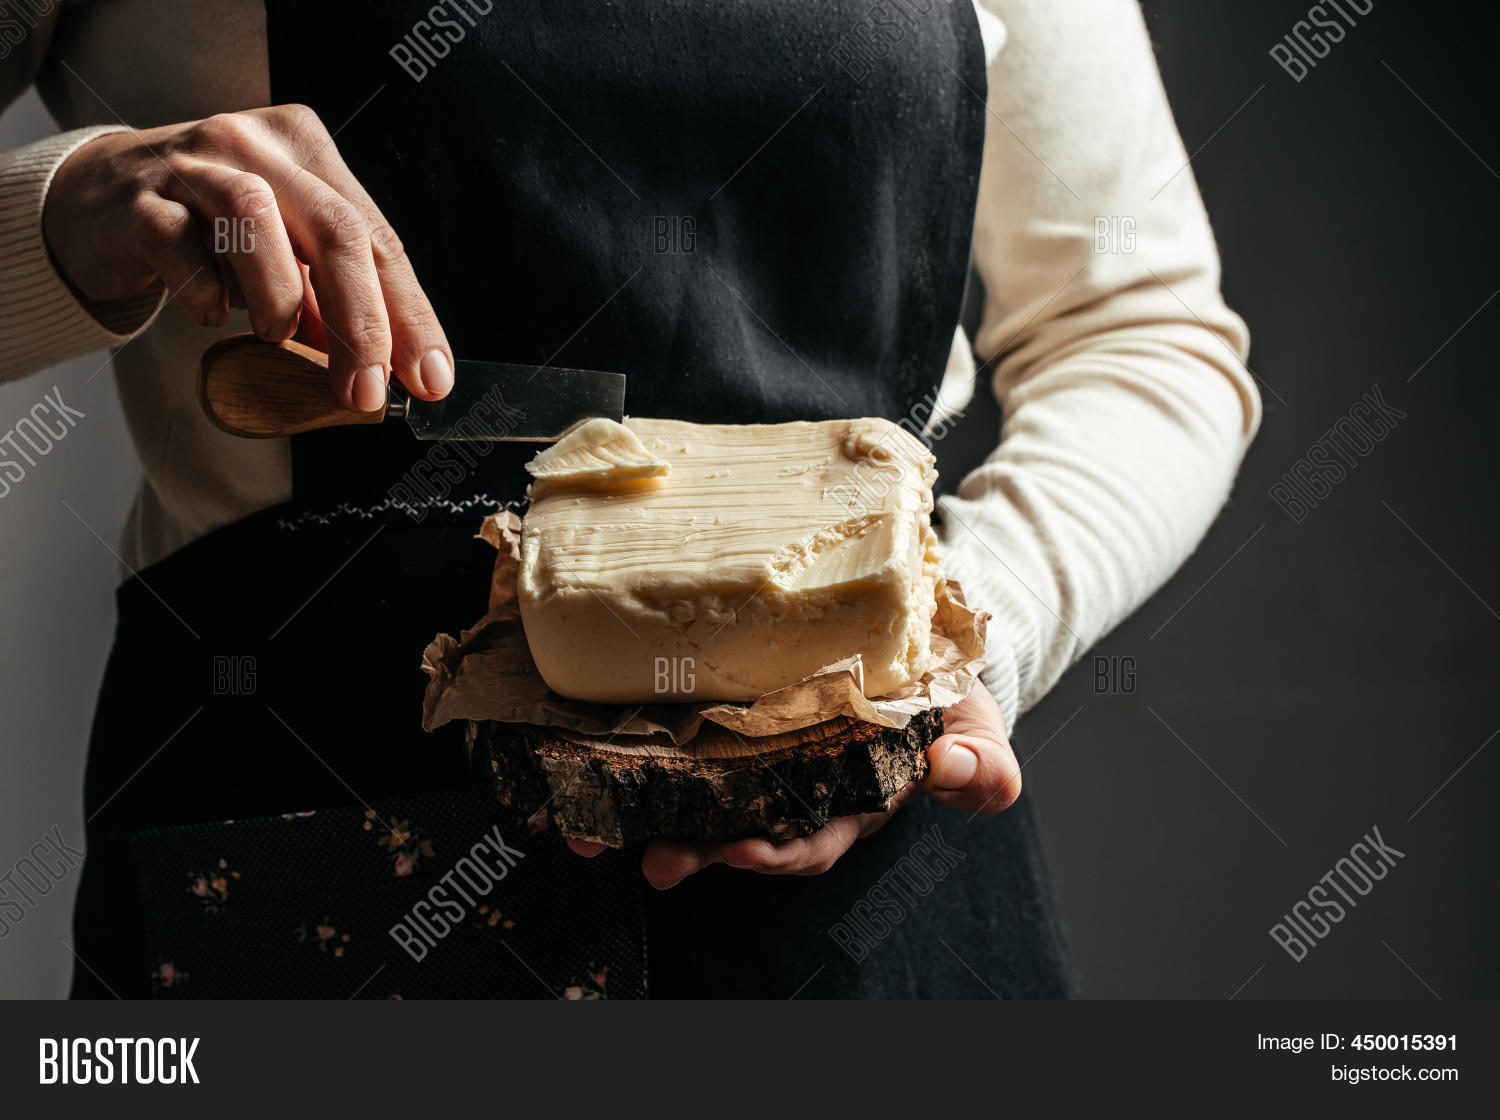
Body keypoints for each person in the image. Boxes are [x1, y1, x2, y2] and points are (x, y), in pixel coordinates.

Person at [0, 0, 1259, 998]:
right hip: (317, 841)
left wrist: (941, 632)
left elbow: (1137, 328)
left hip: (875, 887)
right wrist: (66, 213)